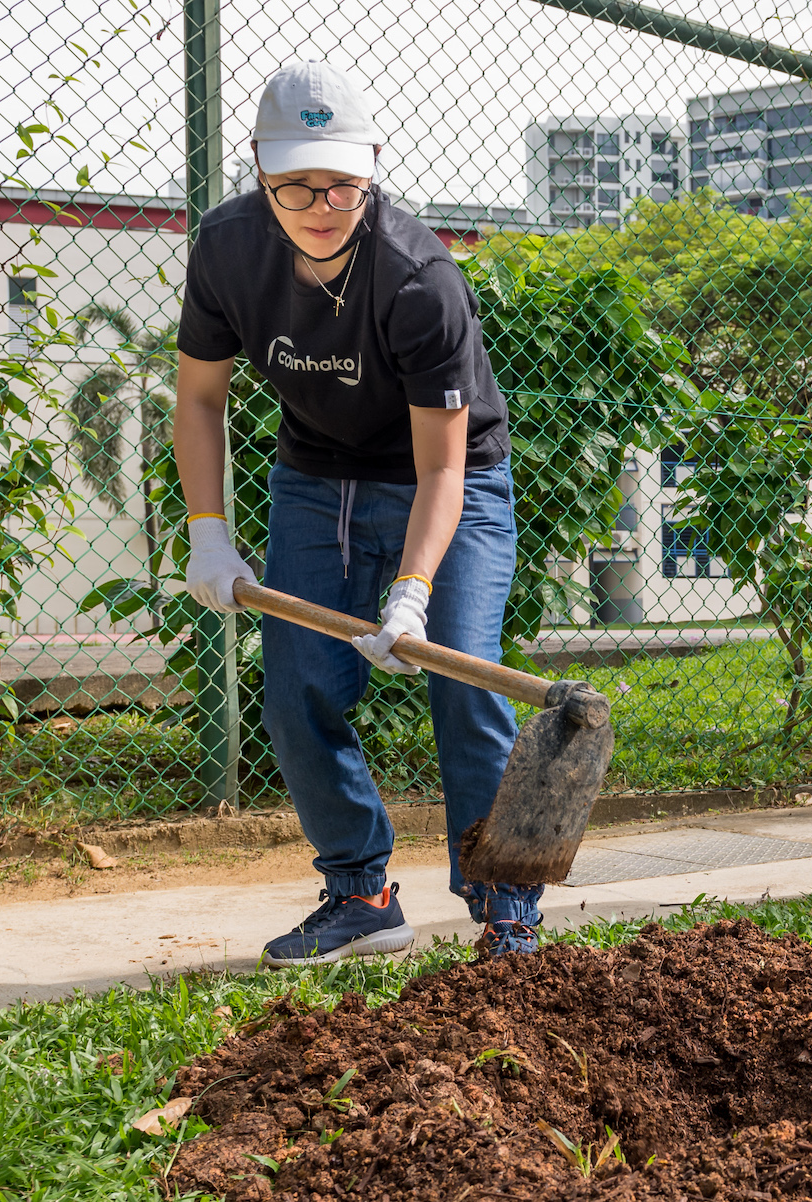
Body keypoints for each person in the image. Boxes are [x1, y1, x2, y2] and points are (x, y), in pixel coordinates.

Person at [174, 60, 541, 963]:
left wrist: (413, 591)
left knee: (466, 679)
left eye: (341, 181)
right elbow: (198, 401)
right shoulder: (225, 252)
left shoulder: (418, 278)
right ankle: (361, 893)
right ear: (260, 169)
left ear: (371, 164)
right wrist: (208, 537)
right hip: (314, 477)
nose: (322, 204)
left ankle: (505, 906)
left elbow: (443, 469)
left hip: (448, 481)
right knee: (299, 686)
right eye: (296, 184)